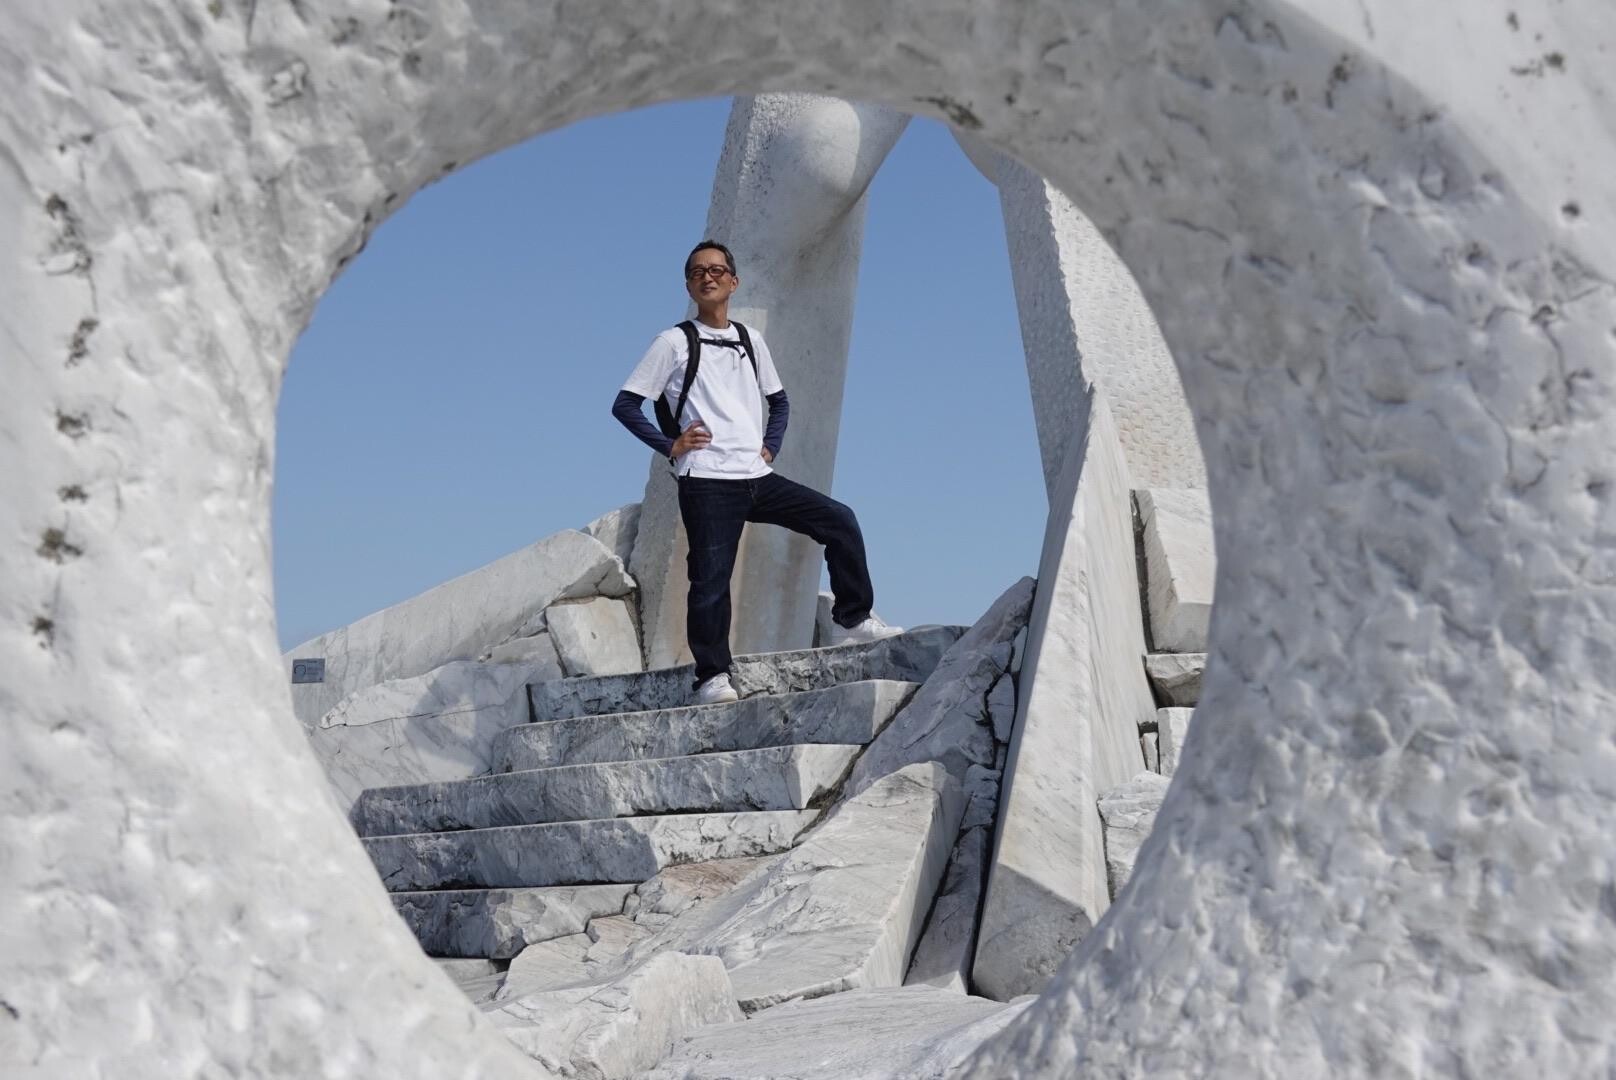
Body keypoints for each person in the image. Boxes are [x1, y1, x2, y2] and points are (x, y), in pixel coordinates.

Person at [612, 240, 901, 705]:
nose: (708, 277)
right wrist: (670, 445)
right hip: (705, 479)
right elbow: (626, 404)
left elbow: (779, 401)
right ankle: (712, 678)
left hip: (756, 476)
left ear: (733, 280)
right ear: (688, 283)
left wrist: (770, 447)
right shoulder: (672, 342)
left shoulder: (750, 339)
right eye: (698, 271)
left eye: (718, 270)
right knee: (710, 578)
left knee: (838, 519)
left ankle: (852, 618)